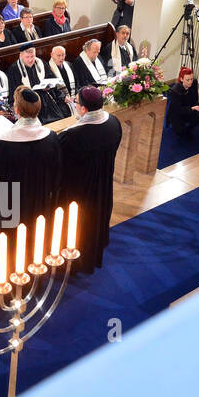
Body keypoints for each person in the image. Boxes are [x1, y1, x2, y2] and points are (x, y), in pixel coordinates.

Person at [0, 88, 62, 234]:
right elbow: (57, 174)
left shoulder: (2, 144)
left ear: (16, 110)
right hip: (40, 203)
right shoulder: (51, 137)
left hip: (10, 209)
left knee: (11, 248)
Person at [57, 86, 123, 273]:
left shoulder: (72, 135)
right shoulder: (113, 122)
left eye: (77, 103)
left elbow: (59, 164)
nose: (76, 105)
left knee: (78, 226)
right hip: (103, 186)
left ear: (84, 109)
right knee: (97, 218)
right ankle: (95, 251)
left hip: (79, 192)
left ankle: (75, 262)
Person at [166, 66, 199, 139]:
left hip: (189, 108)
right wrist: (193, 108)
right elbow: (178, 110)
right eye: (187, 80)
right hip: (177, 113)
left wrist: (198, 107)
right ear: (181, 79)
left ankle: (188, 129)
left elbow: (195, 98)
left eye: (191, 79)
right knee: (180, 132)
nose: (190, 82)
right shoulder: (175, 91)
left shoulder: (194, 83)